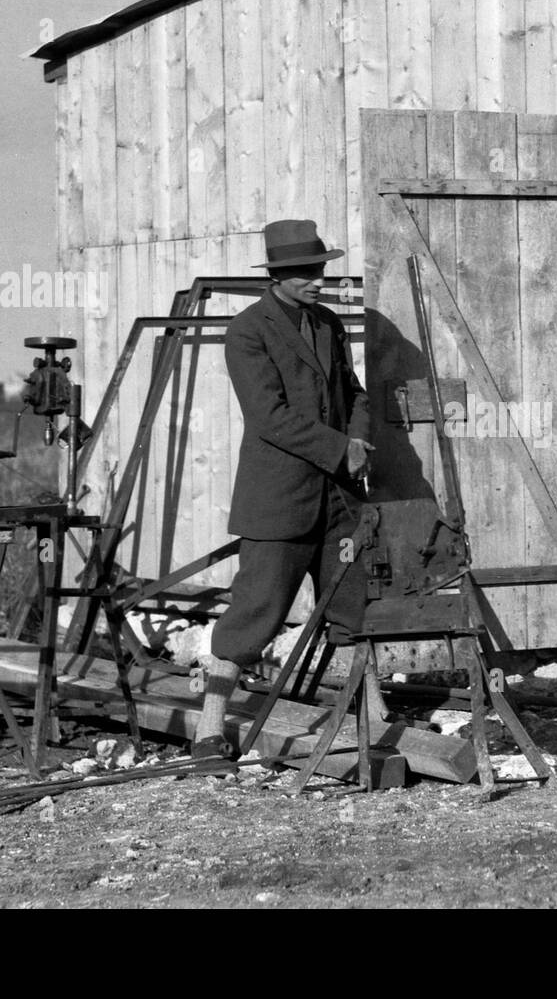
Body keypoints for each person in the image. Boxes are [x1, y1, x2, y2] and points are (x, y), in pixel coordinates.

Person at [192, 219, 374, 758]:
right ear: (277, 276)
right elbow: (268, 417)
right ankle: (210, 726)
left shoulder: (329, 325)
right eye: (303, 274)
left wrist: (358, 442)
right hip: (278, 498)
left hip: (339, 499)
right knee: (257, 610)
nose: (317, 281)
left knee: (353, 606)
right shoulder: (248, 330)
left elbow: (355, 394)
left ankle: (373, 720)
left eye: (319, 270)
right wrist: (340, 448)